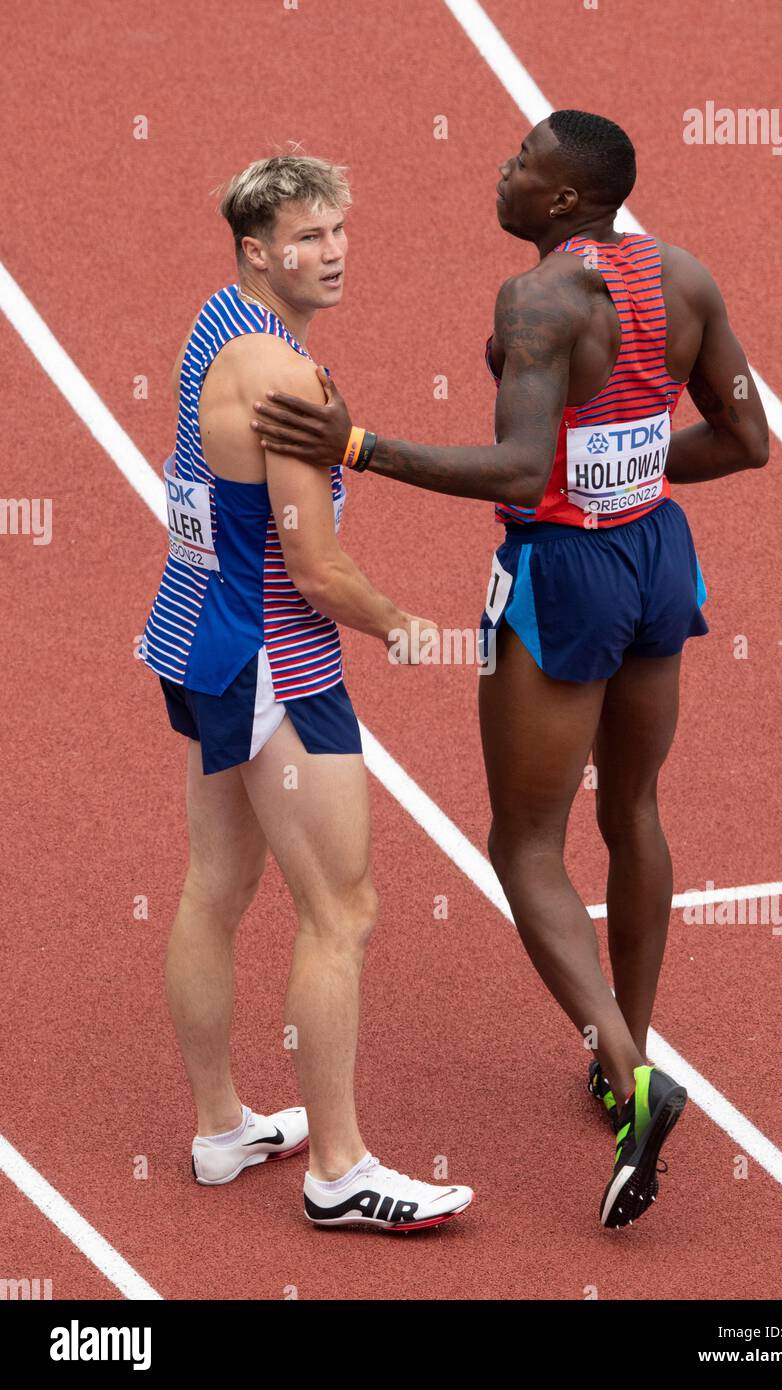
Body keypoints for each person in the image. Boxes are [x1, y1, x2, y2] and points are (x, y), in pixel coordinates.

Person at [249, 112, 770, 1228]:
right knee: (631, 806)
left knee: (524, 841)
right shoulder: (682, 274)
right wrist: (622, 469)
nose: (503, 171)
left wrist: (358, 447)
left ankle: (629, 1074)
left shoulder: (537, 300)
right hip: (657, 555)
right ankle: (626, 1056)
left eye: (521, 164)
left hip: (565, 573)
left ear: (564, 201)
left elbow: (521, 464)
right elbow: (745, 441)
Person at [138, 150, 473, 1231]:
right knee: (343, 911)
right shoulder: (284, 376)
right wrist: (406, 627)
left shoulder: (214, 320)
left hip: (194, 638)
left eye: (338, 232)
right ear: (255, 249)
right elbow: (315, 570)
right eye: (307, 238)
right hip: (277, 662)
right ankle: (339, 1172)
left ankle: (221, 1129)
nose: (331, 256)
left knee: (213, 888)